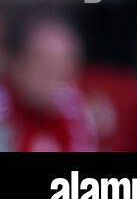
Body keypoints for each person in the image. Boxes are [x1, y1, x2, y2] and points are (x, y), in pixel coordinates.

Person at [0, 12, 96, 151]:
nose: (56, 73)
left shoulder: (76, 110)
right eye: (44, 61)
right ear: (16, 63)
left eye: (66, 62)